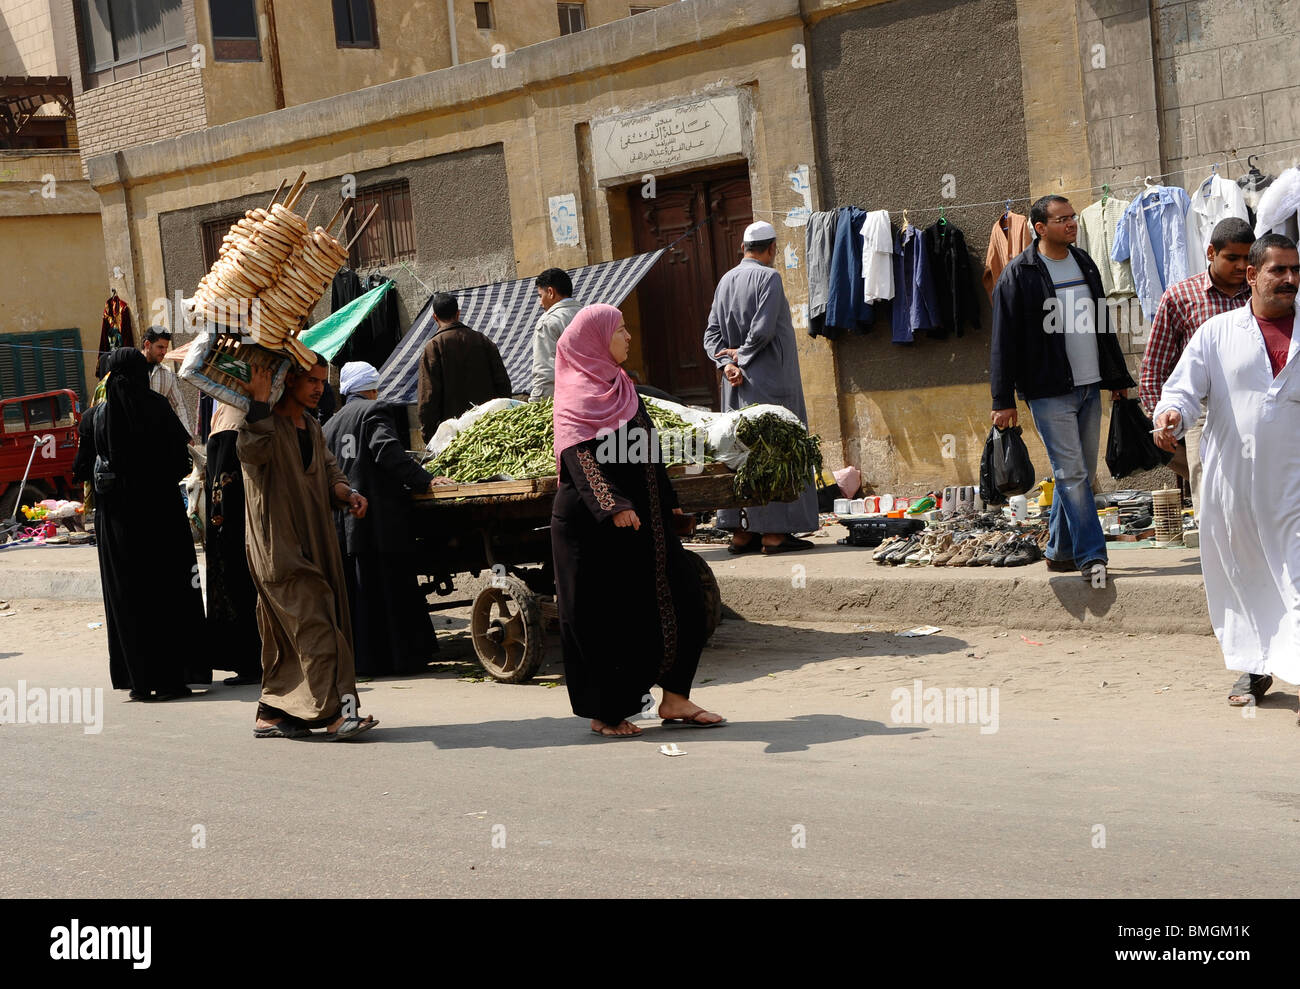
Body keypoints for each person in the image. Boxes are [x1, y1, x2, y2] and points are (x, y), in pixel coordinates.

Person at [551, 304, 724, 737]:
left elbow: (647, 455)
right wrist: (612, 504)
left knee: (685, 591)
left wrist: (671, 504)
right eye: (620, 330)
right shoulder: (576, 394)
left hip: (642, 522)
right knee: (604, 616)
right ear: (595, 339)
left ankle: (676, 697)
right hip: (591, 527)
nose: (628, 337)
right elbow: (579, 456)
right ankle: (606, 711)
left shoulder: (623, 387)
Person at [1153, 234, 1300, 712]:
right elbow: (1182, 389)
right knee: (1247, 576)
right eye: (1279, 270)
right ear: (1252, 276)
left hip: (1293, 483)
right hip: (1234, 485)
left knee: (1296, 575)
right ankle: (1257, 666)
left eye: (1296, 270)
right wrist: (1171, 415)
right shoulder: (1217, 333)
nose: (1290, 279)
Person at [990, 195, 1136, 586]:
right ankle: (1093, 557)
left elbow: (1103, 321)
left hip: (1090, 387)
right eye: (1062, 219)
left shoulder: (1084, 262)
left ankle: (1057, 552)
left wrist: (1116, 379)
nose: (1072, 224)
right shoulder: (1018, 275)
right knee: (1071, 473)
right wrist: (1001, 400)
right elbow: (1002, 341)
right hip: (1048, 389)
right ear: (1040, 227)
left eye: (1073, 217)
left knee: (1080, 474)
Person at [239, 352, 377, 740]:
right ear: (290, 379)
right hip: (278, 547)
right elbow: (251, 454)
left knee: (289, 634)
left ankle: (271, 713)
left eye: (323, 381)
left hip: (315, 541)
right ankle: (336, 716)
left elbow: (329, 469)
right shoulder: (261, 425)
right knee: (315, 622)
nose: (320, 388)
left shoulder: (312, 428)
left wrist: (346, 492)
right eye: (311, 380)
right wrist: (258, 403)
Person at [72, 348, 210, 701]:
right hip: (160, 520)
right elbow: (181, 462)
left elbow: (80, 470)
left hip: (116, 526)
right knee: (167, 593)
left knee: (128, 597)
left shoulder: (93, 418)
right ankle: (172, 679)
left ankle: (138, 681)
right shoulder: (157, 407)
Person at [703, 220, 819, 555]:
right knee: (777, 450)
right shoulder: (769, 277)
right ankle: (774, 534)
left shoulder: (725, 281)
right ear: (770, 249)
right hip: (770, 384)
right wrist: (743, 356)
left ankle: (741, 533)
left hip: (735, 387)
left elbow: (711, 334)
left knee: (741, 453)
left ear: (743, 249)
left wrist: (727, 365)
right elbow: (764, 329)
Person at [324, 361, 445, 678]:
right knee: (390, 590)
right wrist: (425, 479)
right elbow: (387, 450)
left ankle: (367, 660)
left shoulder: (329, 425)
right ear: (373, 387)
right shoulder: (375, 410)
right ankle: (402, 658)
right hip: (379, 520)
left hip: (345, 523)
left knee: (362, 594)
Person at [1139, 217, 1253, 505]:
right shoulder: (1180, 298)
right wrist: (1161, 420)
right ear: (1211, 253)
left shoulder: (1261, 294)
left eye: (1247, 258)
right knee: (1211, 498)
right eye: (1232, 258)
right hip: (1202, 412)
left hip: (1254, 405)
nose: (1241, 266)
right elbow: (1154, 367)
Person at [204, 400, 262, 686]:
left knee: (239, 589)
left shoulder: (228, 419)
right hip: (242, 522)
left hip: (231, 525)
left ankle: (250, 664)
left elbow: (221, 481)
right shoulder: (241, 415)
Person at [417, 292, 513, 443]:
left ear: (435, 317)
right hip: (489, 429)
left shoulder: (434, 347)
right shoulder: (482, 340)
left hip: (454, 437)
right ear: (458, 313)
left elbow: (428, 398)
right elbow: (503, 385)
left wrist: (430, 437)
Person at [530, 267, 583, 402]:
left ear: (550, 292)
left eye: (540, 296)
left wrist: (537, 403)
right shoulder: (590, 314)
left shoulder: (548, 321)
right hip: (599, 397)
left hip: (569, 400)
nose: (541, 303)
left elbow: (545, 370)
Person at [141, 327, 193, 437]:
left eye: (166, 348)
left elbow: (178, 405)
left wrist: (187, 434)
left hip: (159, 435)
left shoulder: (167, 373)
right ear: (147, 344)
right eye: (160, 347)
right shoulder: (129, 368)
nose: (164, 352)